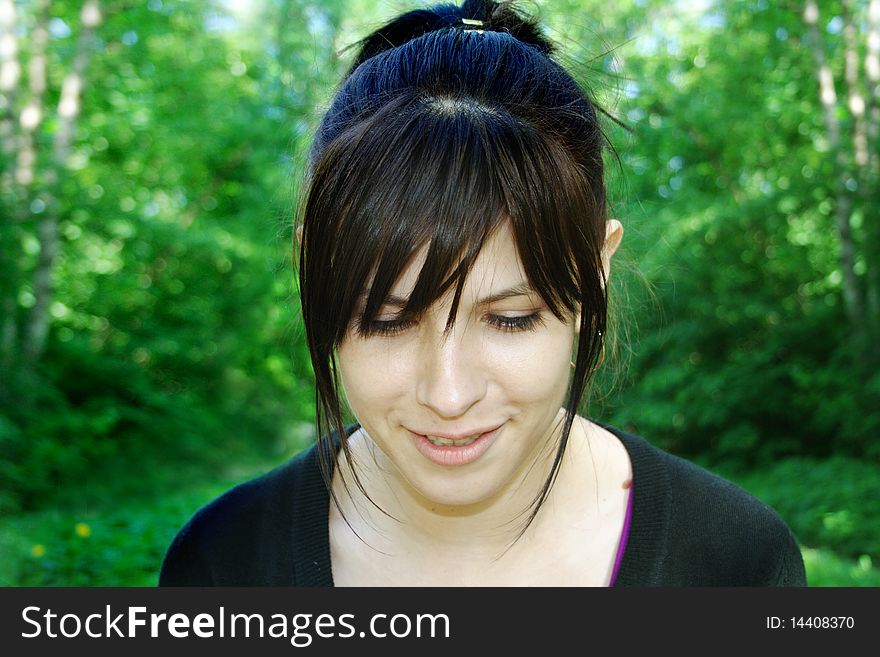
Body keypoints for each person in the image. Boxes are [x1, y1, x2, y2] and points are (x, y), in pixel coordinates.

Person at [159, 0, 806, 587]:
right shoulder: (223, 564)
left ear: (595, 270)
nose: (449, 394)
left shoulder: (736, 563)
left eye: (512, 319)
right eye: (386, 320)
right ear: (313, 270)